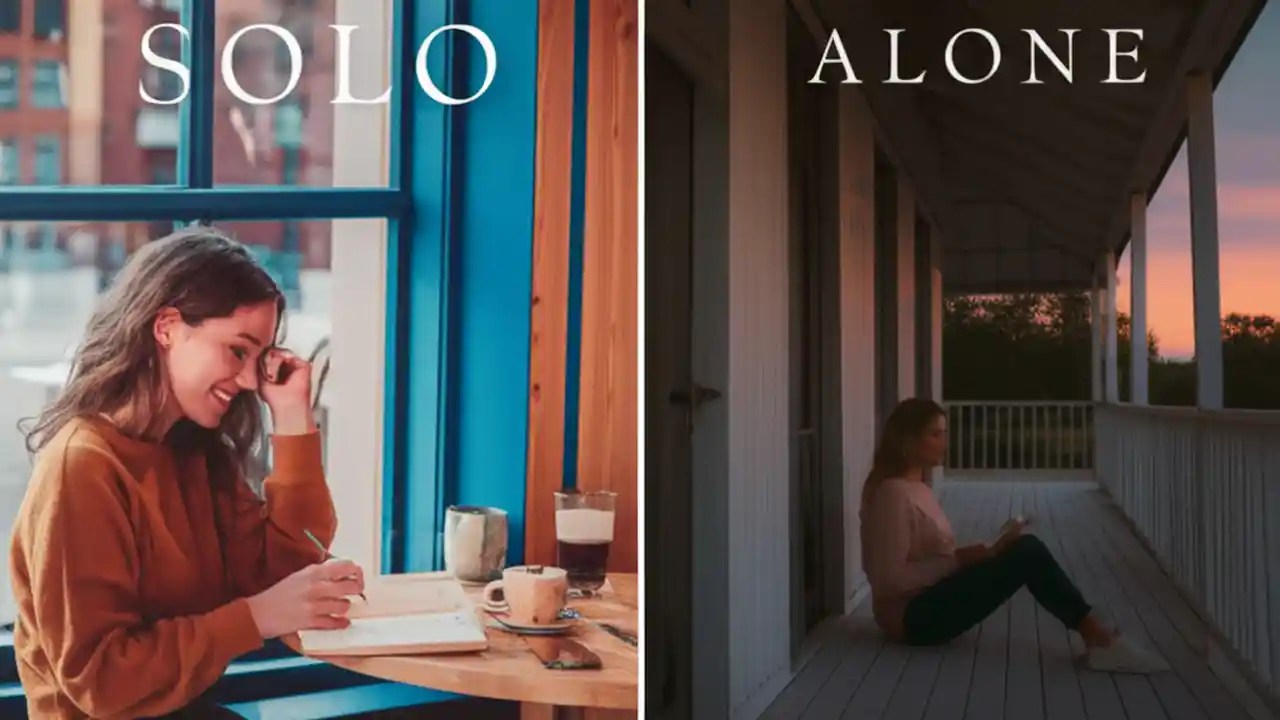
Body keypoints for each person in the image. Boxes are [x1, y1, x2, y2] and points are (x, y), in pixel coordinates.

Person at [9, 228, 365, 718]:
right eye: (237, 351)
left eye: (257, 359)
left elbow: (283, 576)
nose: (246, 381)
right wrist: (256, 617)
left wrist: (292, 415)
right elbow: (102, 681)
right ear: (167, 327)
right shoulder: (82, 466)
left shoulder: (193, 453)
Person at [860, 398, 1168, 673]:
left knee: (1021, 547)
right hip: (912, 618)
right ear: (909, 440)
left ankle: (1095, 634)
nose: (944, 441)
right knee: (1027, 552)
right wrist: (961, 559)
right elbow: (888, 580)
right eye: (935, 434)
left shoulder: (918, 488)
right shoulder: (893, 494)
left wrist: (985, 552)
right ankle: (1097, 638)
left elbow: (933, 559)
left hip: (931, 597)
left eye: (945, 433)